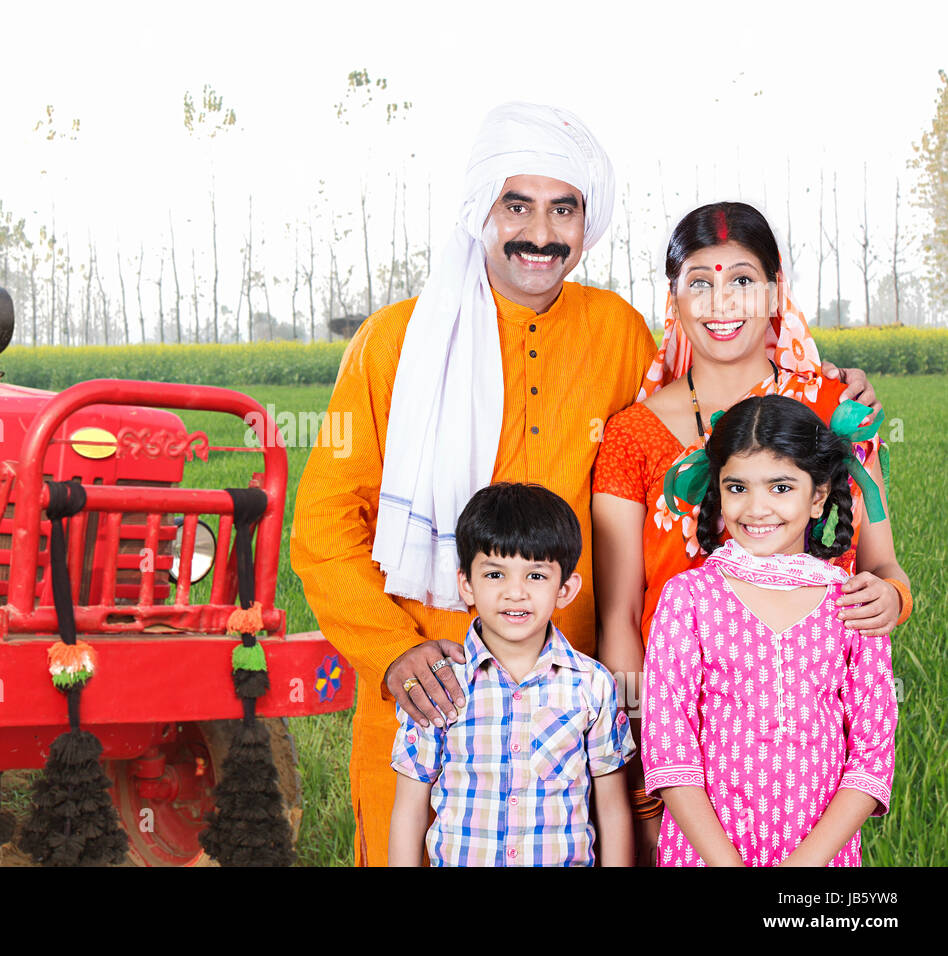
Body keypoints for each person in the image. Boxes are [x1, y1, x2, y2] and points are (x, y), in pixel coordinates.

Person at [291, 103, 878, 867]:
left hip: (583, 695)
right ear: (481, 211)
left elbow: (725, 421)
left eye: (562, 209)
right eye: (517, 205)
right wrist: (395, 653)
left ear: (584, 221)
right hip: (436, 680)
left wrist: (826, 396)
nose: (540, 232)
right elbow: (324, 527)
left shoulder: (617, 331)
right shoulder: (394, 343)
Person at [591, 202, 910, 864]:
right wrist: (648, 774)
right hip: (688, 758)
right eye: (698, 281)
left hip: (812, 774)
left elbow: (885, 569)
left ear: (776, 289)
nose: (720, 301)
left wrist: (892, 601)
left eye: (742, 279)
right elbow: (620, 614)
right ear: (673, 297)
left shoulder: (835, 411)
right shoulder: (631, 434)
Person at [642, 395, 899, 866]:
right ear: (718, 492)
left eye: (780, 488)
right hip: (705, 857)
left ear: (818, 495)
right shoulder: (689, 600)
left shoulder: (853, 604)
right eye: (737, 488)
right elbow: (669, 749)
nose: (757, 508)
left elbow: (872, 755)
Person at [387, 482, 633, 866]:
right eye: (495, 575)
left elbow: (613, 808)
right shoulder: (441, 685)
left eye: (535, 576)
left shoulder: (592, 684)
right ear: (466, 584)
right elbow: (409, 809)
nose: (515, 593)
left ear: (565, 589)